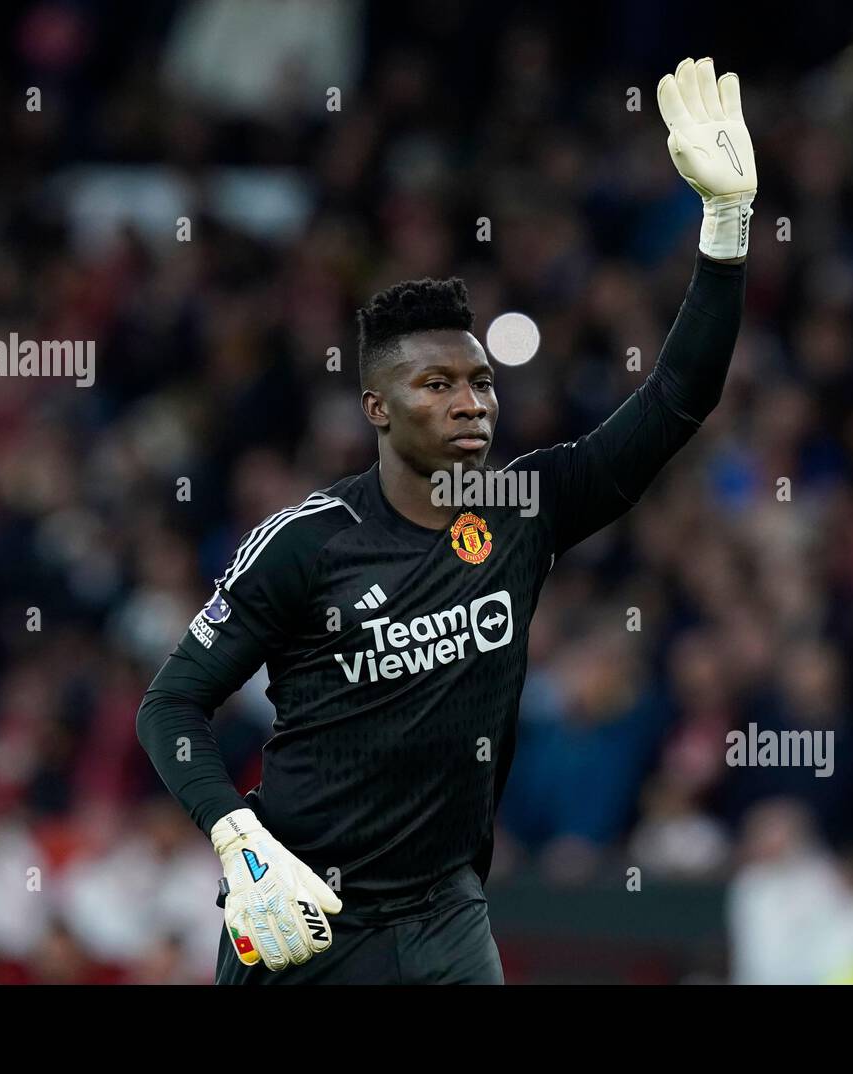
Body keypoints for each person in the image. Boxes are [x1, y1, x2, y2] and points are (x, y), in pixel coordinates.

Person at [135, 55, 755, 984]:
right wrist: (236, 840)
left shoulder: (522, 508)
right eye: (438, 385)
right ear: (379, 409)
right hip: (301, 910)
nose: (472, 403)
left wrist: (726, 226)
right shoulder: (307, 542)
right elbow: (170, 703)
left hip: (446, 917)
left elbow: (677, 400)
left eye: (480, 382)